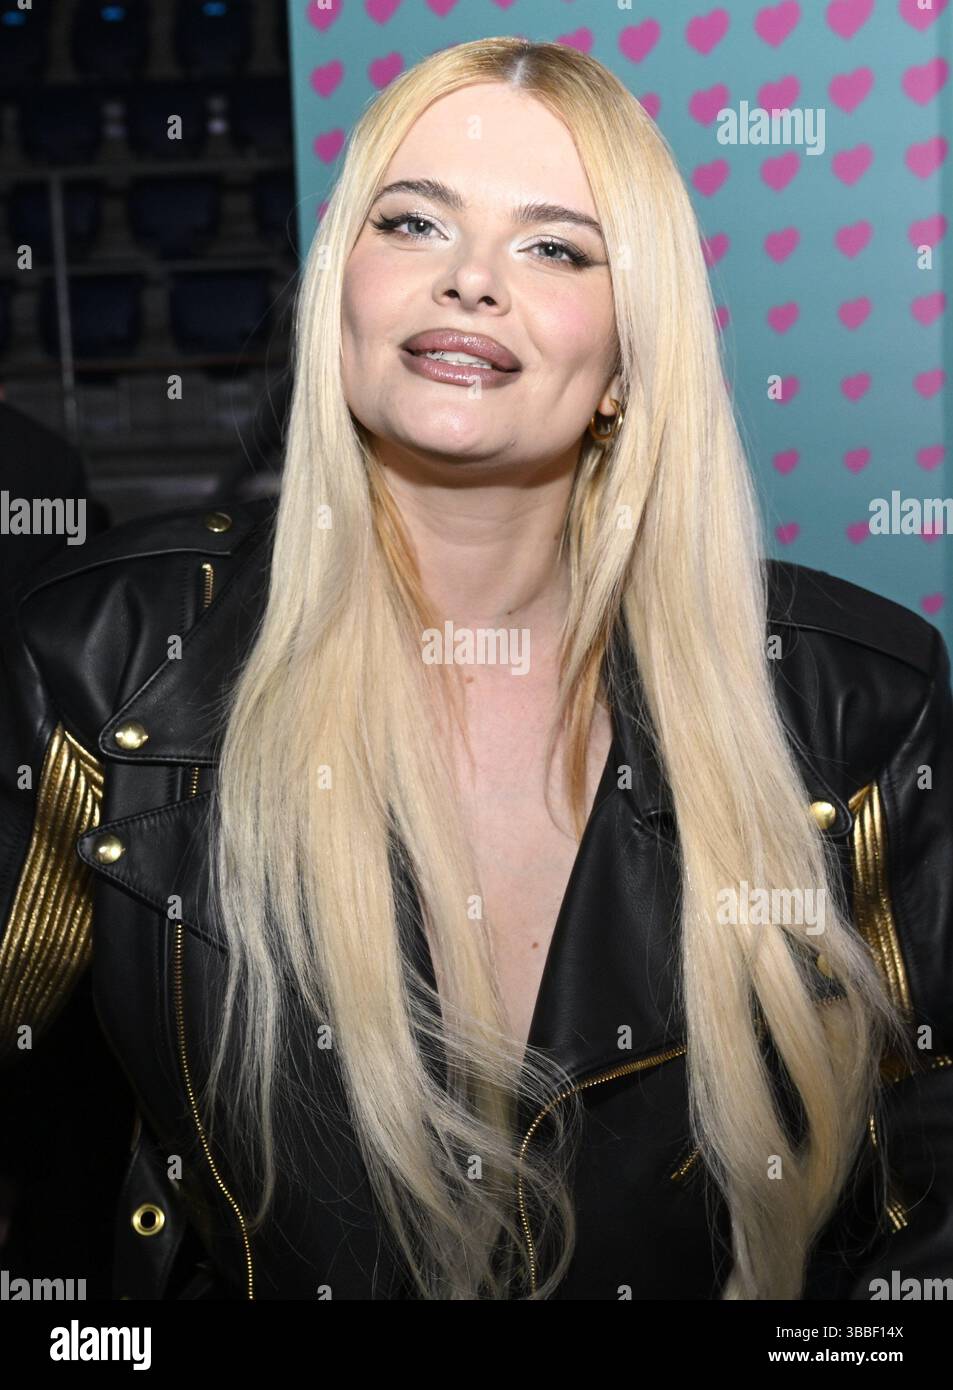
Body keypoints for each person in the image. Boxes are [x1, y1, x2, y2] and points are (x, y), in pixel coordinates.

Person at [1, 37, 951, 1302]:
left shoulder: (852, 698)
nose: (467, 283)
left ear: (627, 359)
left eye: (554, 246)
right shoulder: (106, 660)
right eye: (412, 223)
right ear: (342, 296)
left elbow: (924, 1183)